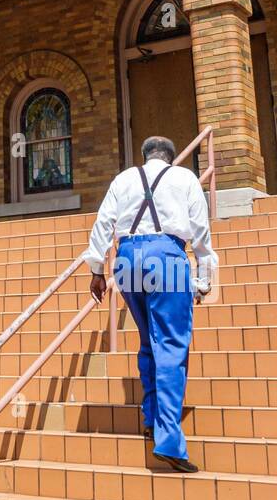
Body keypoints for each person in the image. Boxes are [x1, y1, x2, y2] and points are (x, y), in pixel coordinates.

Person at [87, 136, 218, 473]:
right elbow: (201, 232)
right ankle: (169, 440)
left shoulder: (124, 179)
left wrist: (97, 271)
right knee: (172, 345)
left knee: (149, 341)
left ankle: (151, 417)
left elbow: (102, 224)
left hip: (128, 258)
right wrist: (204, 278)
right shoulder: (184, 178)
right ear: (171, 158)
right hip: (167, 256)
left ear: (144, 157)